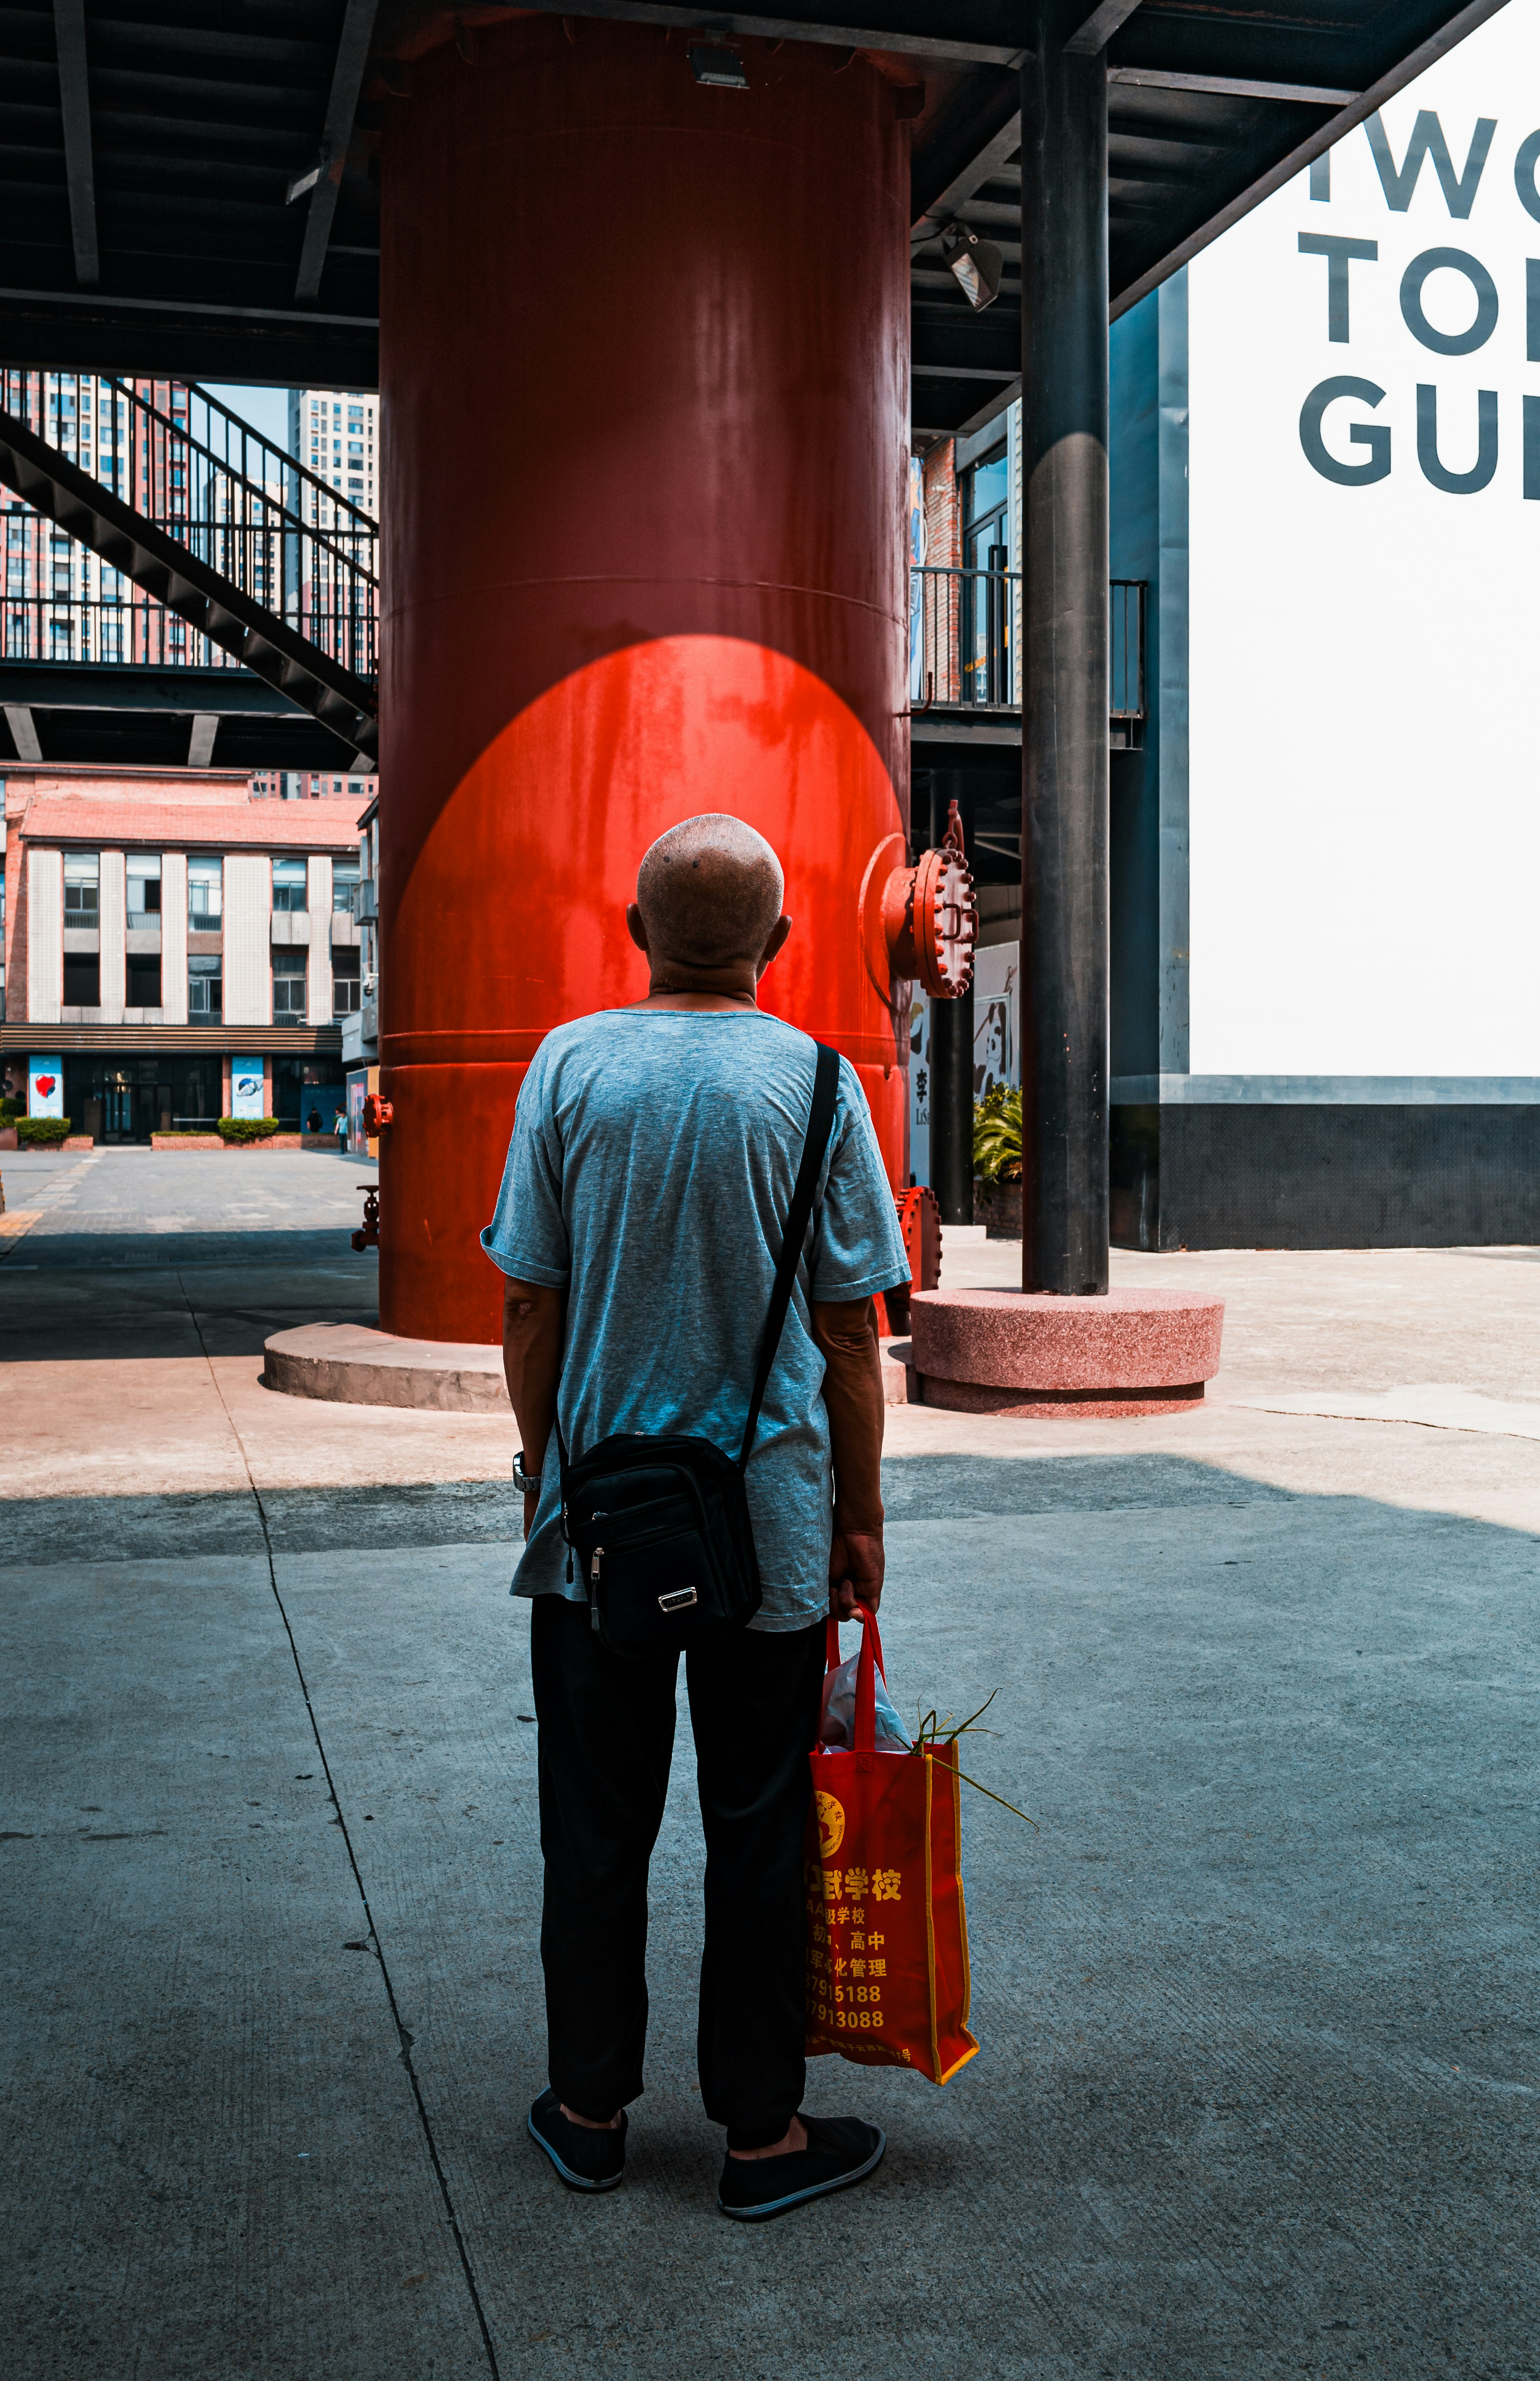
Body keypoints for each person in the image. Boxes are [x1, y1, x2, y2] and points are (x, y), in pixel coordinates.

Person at [484, 813, 912, 2222]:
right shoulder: (818, 1081)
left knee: (595, 1830)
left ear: (635, 930)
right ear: (779, 947)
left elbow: (530, 1297)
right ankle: (760, 2140)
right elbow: (852, 1336)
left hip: (599, 1527)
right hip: (771, 1525)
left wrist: (544, 1459)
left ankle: (592, 2110)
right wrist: (861, 1520)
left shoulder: (567, 1065)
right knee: (762, 1828)